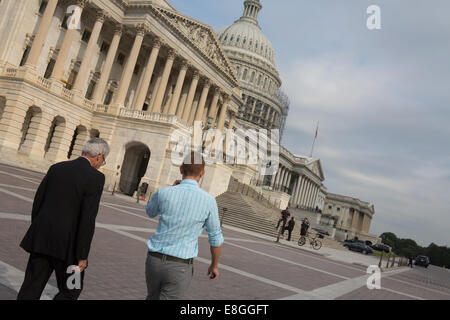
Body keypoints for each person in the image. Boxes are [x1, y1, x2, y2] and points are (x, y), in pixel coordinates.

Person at [17, 138, 109, 300]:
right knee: (72, 290)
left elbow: (38, 202)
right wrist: (82, 255)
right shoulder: (95, 177)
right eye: (103, 161)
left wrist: (40, 229)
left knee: (31, 286)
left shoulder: (56, 168)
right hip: (70, 249)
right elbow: (88, 218)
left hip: (42, 239)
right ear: (99, 156)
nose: (101, 164)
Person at [145, 151, 224, 300]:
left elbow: (150, 211)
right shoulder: (208, 201)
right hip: (180, 265)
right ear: (202, 173)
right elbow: (216, 239)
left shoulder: (164, 193)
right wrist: (214, 265)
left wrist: (171, 188)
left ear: (181, 168)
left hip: (154, 260)